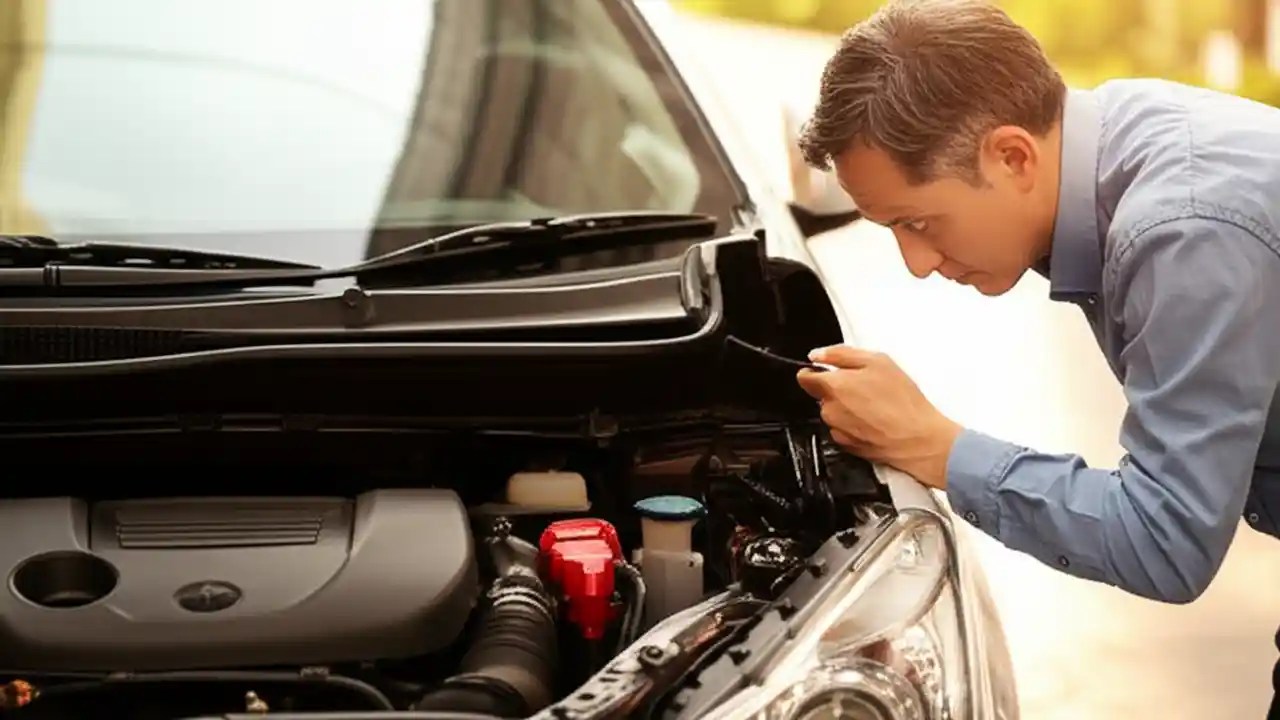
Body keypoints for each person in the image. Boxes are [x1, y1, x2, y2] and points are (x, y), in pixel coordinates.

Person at [790, 0, 1280, 714]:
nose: (917, 262)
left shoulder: (1181, 230)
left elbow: (1166, 538)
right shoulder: (1113, 139)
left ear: (1012, 154)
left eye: (919, 222)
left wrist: (935, 447)